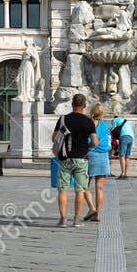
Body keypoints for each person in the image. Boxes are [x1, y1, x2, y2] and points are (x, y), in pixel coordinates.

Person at [53, 94, 97, 228]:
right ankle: (76, 219)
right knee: (80, 190)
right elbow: (95, 142)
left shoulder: (63, 119)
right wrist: (86, 146)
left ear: (72, 104)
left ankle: (62, 219)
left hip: (65, 158)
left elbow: (54, 137)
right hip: (81, 159)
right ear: (84, 106)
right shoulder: (88, 121)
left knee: (62, 190)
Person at [85, 104, 112, 223]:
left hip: (90, 155)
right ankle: (98, 215)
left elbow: (88, 140)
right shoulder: (104, 125)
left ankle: (92, 208)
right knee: (100, 188)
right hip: (103, 156)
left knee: (84, 185)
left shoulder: (88, 124)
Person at [112, 112, 135, 179]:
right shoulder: (124, 120)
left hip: (124, 137)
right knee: (127, 156)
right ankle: (125, 173)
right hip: (131, 137)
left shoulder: (114, 120)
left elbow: (113, 130)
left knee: (122, 155)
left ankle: (122, 174)